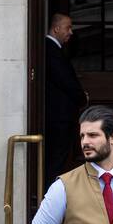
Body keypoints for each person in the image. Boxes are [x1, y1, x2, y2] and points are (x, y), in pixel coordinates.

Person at [44, 12, 86, 188]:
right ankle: (50, 198)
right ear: (56, 28)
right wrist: (82, 97)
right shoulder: (50, 49)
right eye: (68, 27)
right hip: (58, 117)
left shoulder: (53, 49)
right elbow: (65, 80)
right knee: (56, 160)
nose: (71, 32)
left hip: (59, 116)